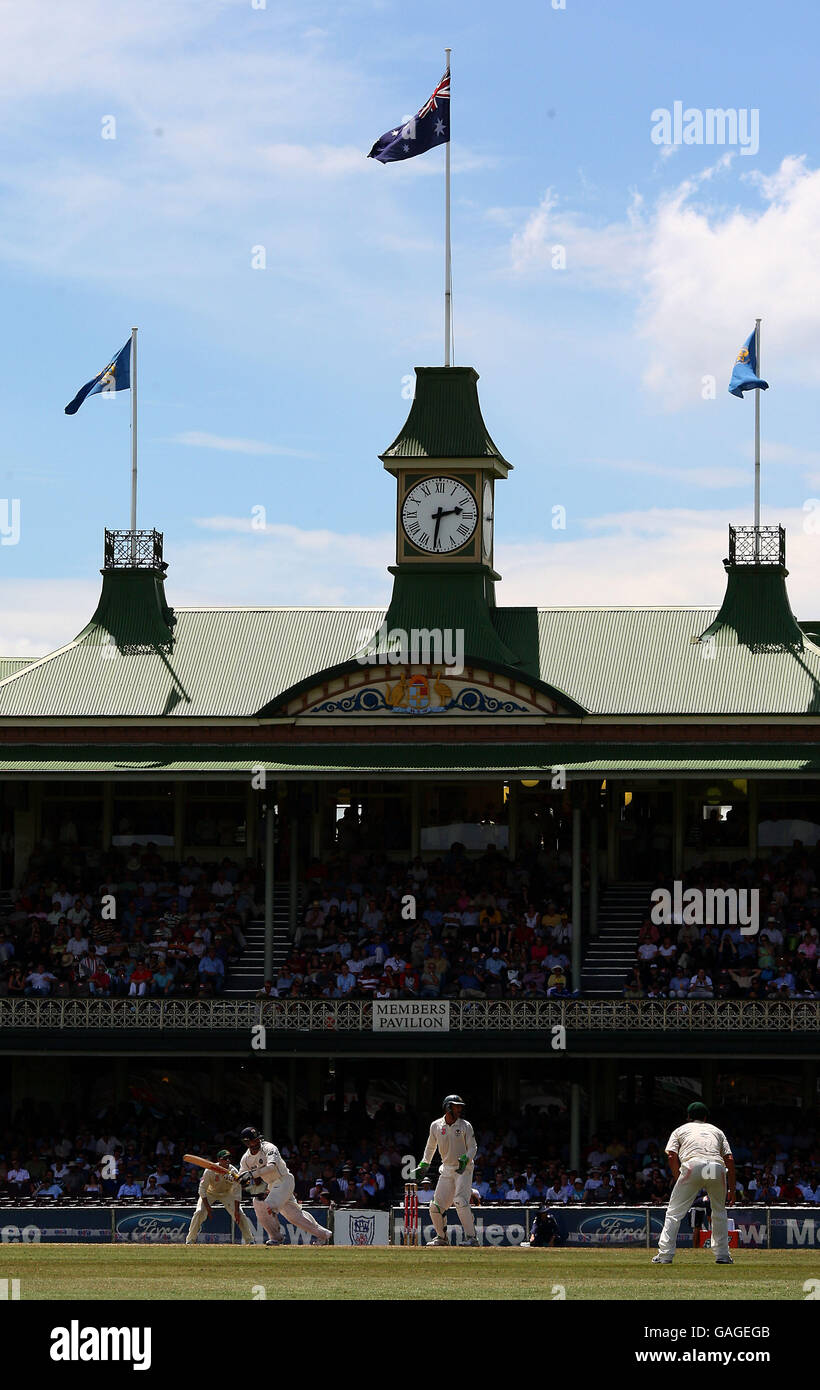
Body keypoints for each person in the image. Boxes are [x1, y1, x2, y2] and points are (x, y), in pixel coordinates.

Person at [653, 1101, 735, 1266]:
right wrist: (732, 1188)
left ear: (688, 1117)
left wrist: (678, 1178)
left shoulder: (681, 1130)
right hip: (715, 1166)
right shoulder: (716, 1131)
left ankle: (665, 1255)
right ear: (705, 1117)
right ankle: (723, 1256)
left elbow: (671, 1156)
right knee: (719, 1212)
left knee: (674, 1213)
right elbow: (730, 1159)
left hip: (693, 1166)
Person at [238, 1126, 331, 1245]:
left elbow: (272, 1166)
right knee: (295, 1217)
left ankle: (276, 1238)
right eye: (253, 1140)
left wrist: (252, 1174)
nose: (257, 1142)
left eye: (257, 1139)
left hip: (284, 1180)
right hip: (273, 1186)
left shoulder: (269, 1148)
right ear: (246, 1142)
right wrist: (233, 1178)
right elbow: (241, 1176)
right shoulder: (246, 1158)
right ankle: (324, 1235)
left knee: (263, 1204)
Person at [415, 1094, 479, 1247]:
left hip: (464, 1169)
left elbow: (473, 1147)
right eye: (456, 1106)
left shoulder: (465, 1125)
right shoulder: (436, 1125)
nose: (459, 1109)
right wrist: (424, 1163)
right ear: (448, 1107)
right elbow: (430, 1147)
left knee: (460, 1200)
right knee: (435, 1207)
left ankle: (472, 1238)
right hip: (447, 1170)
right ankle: (442, 1238)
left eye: (460, 1106)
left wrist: (466, 1159)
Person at [186, 1151, 255, 1246]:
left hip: (227, 1193)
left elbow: (237, 1192)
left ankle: (250, 1240)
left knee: (240, 1214)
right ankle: (190, 1240)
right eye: (224, 1158)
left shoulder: (234, 1171)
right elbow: (202, 1189)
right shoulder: (210, 1170)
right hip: (210, 1192)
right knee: (199, 1212)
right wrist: (207, 1207)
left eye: (229, 1158)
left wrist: (236, 1210)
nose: (227, 1160)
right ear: (219, 1160)